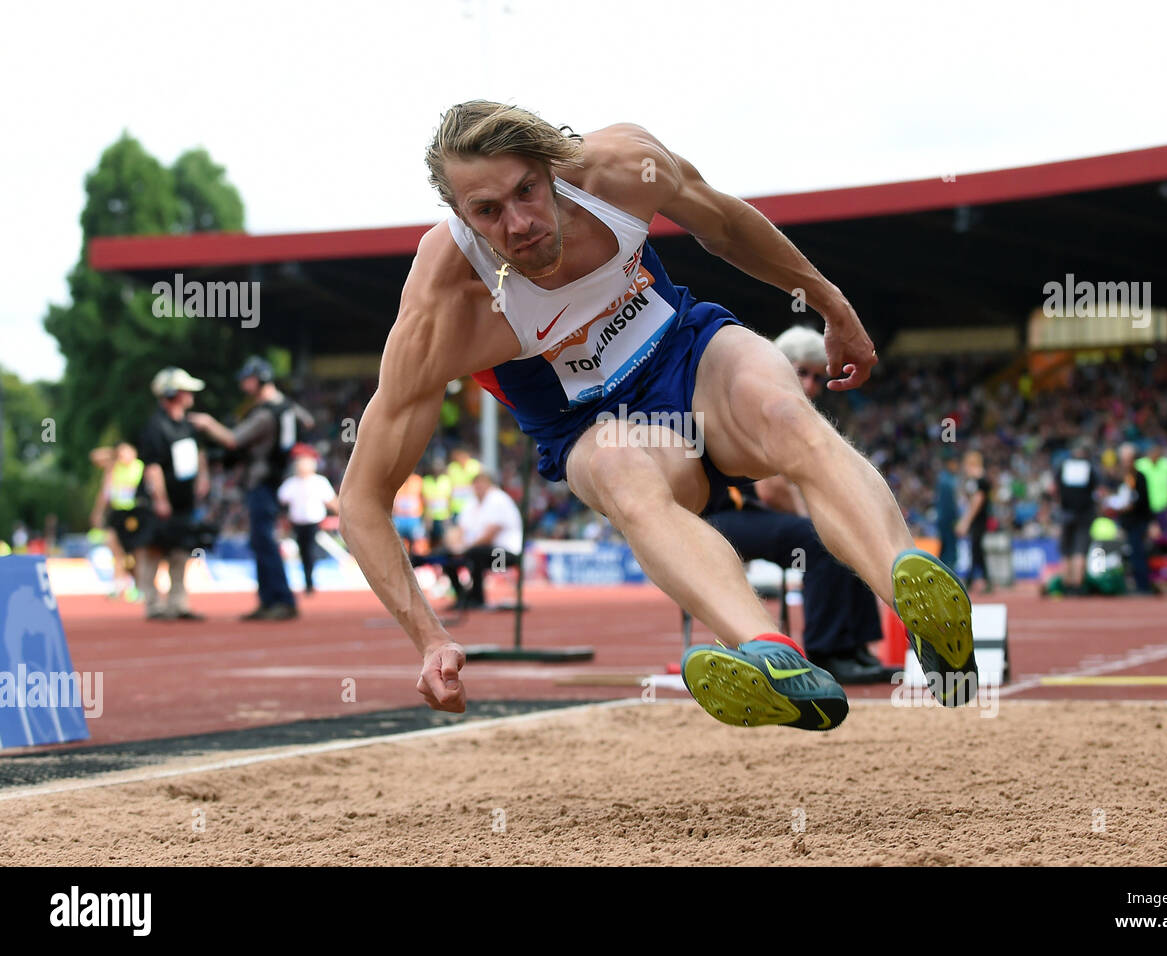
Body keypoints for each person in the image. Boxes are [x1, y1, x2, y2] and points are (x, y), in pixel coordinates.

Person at [338, 102, 977, 731]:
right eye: (487, 211)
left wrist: (830, 303)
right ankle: (771, 655)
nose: (519, 222)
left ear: (551, 166)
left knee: (785, 412)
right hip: (598, 427)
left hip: (690, 358)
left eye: (526, 191)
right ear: (459, 215)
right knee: (622, 473)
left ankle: (916, 599)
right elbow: (363, 499)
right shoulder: (444, 303)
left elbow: (723, 223)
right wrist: (428, 637)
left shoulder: (619, 168)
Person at [702, 324, 889, 684]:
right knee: (822, 538)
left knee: (844, 534)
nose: (810, 386)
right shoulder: (756, 398)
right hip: (718, 517)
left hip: (748, 514)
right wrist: (817, 522)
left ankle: (855, 646)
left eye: (818, 378)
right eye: (802, 372)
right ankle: (827, 649)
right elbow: (772, 491)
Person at [189, 356, 314, 621]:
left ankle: (281, 599)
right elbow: (309, 422)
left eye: (248, 379)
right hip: (273, 479)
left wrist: (207, 424)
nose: (244, 385)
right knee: (260, 540)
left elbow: (234, 440)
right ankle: (269, 600)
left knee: (264, 541)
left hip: (262, 481)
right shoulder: (287, 407)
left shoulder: (267, 413)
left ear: (260, 379)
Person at [135, 368, 209, 621]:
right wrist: (160, 499)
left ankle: (178, 603)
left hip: (183, 501)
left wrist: (203, 477)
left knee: (181, 551)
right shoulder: (155, 426)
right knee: (153, 550)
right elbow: (152, 467)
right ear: (171, 393)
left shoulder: (188, 425)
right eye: (185, 390)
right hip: (160, 502)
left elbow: (199, 454)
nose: (191, 394)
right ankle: (154, 605)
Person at [415, 470, 523, 609]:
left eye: (481, 484)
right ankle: (462, 599)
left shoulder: (498, 500)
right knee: (447, 556)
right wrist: (453, 546)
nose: (478, 488)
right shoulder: (472, 502)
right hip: (481, 550)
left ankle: (477, 599)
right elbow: (459, 529)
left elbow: (489, 536)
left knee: (474, 554)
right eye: (476, 484)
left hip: (503, 555)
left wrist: (464, 549)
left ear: (489, 485)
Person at [277, 445, 339, 595]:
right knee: (303, 551)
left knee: (310, 551)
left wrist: (343, 515)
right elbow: (280, 501)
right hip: (297, 523)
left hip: (314, 522)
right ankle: (307, 581)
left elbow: (332, 501)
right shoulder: (291, 483)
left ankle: (310, 581)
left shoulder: (319, 481)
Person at [89, 442, 145, 600]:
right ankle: (118, 585)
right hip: (116, 514)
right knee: (115, 549)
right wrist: (97, 512)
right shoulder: (113, 467)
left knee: (134, 553)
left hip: (134, 515)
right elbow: (95, 457)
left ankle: (138, 586)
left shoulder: (140, 466)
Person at [1054, 440, 1098, 595]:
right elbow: (1097, 490)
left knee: (1066, 551)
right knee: (1080, 550)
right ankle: (1077, 585)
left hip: (1066, 513)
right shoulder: (1090, 468)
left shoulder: (1063, 467)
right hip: (1085, 514)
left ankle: (1066, 585)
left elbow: (1055, 489)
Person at [1111, 443, 1153, 594]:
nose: (1126, 462)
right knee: (1125, 555)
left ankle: (1143, 586)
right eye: (1123, 459)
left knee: (1138, 554)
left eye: (1128, 459)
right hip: (1124, 522)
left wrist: (1149, 522)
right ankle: (1128, 584)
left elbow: (1144, 502)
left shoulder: (1139, 477)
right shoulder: (1121, 477)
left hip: (1137, 522)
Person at [956, 450, 992, 593]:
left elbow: (977, 501)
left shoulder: (979, 480)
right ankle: (978, 580)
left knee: (976, 550)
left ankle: (979, 580)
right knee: (976, 550)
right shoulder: (975, 480)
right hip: (977, 519)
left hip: (979, 520)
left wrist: (966, 521)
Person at [935, 451, 960, 569]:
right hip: (948, 521)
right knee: (949, 551)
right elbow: (950, 505)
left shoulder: (944, 478)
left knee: (945, 550)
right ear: (949, 463)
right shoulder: (947, 481)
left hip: (943, 519)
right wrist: (955, 520)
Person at [392, 473, 426, 550]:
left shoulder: (417, 480)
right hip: (399, 518)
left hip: (414, 518)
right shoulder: (395, 479)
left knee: (419, 545)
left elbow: (423, 498)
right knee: (399, 546)